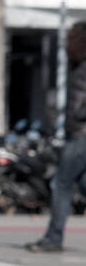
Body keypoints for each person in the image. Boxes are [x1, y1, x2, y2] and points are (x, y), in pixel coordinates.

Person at [25, 20, 86, 253]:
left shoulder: (83, 69)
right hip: (79, 135)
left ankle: (53, 237)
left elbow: (81, 105)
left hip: (80, 136)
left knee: (60, 184)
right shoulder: (79, 67)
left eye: (71, 38)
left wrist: (77, 116)